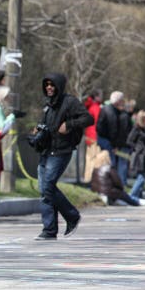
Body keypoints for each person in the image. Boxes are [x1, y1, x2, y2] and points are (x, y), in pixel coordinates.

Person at [33, 74, 94, 241]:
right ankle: (49, 230)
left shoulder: (70, 102)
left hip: (61, 151)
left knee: (48, 186)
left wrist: (69, 124)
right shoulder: (48, 105)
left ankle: (72, 215)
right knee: (44, 189)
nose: (49, 87)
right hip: (46, 150)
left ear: (59, 86)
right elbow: (47, 125)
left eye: (52, 85)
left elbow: (88, 118)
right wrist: (38, 130)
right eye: (46, 84)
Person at [96, 91, 131, 186]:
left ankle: (111, 183)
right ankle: (113, 183)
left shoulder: (106, 110)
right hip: (109, 142)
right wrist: (114, 144)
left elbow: (99, 127)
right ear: (118, 101)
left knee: (110, 163)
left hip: (105, 140)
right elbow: (114, 130)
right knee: (112, 164)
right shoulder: (115, 113)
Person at [126, 109, 145, 199]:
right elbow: (129, 141)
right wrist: (138, 148)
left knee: (143, 176)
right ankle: (131, 196)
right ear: (142, 119)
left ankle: (138, 196)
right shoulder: (137, 129)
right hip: (140, 156)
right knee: (141, 177)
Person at [82, 89, 103, 184]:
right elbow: (100, 121)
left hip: (88, 134)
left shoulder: (89, 106)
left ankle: (87, 178)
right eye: (101, 95)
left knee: (89, 158)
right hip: (95, 136)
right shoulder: (96, 107)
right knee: (95, 158)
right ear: (97, 97)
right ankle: (91, 179)